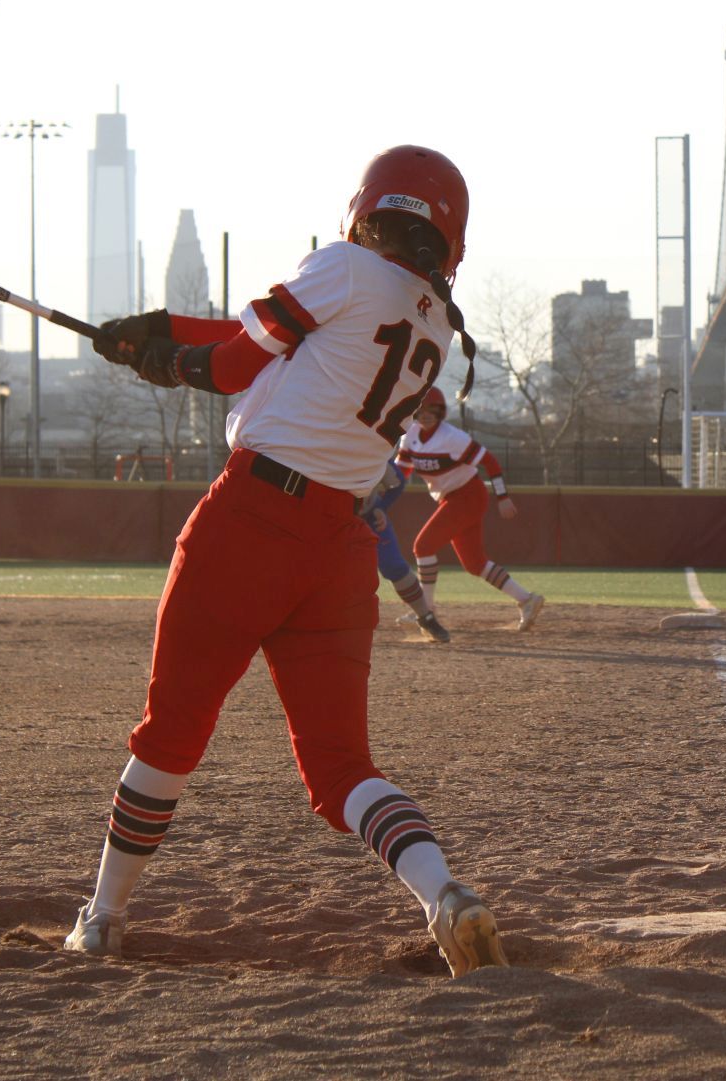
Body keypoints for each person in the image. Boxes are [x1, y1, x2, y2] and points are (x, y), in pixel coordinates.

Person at [61, 145, 507, 978]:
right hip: (339, 549)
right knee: (343, 769)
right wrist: (155, 336)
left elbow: (234, 362)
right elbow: (268, 342)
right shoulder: (436, 327)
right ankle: (444, 893)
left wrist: (175, 363)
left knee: (170, 733)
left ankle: (103, 917)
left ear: (365, 208)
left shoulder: (339, 265)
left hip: (250, 522)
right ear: (448, 242)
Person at [395, 386, 544, 631]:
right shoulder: (409, 435)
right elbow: (402, 472)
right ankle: (527, 599)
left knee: (423, 546)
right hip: (452, 499)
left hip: (467, 496)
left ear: (441, 412)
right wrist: (382, 489)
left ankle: (426, 610)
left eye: (432, 409)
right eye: (421, 409)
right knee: (475, 564)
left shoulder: (452, 437)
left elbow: (490, 461)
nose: (426, 414)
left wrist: (503, 496)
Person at [362, 459, 451, 643]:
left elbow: (397, 482)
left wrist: (380, 507)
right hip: (333, 519)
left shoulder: (370, 447)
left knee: (394, 567)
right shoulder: (324, 445)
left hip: (370, 517)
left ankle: (426, 617)